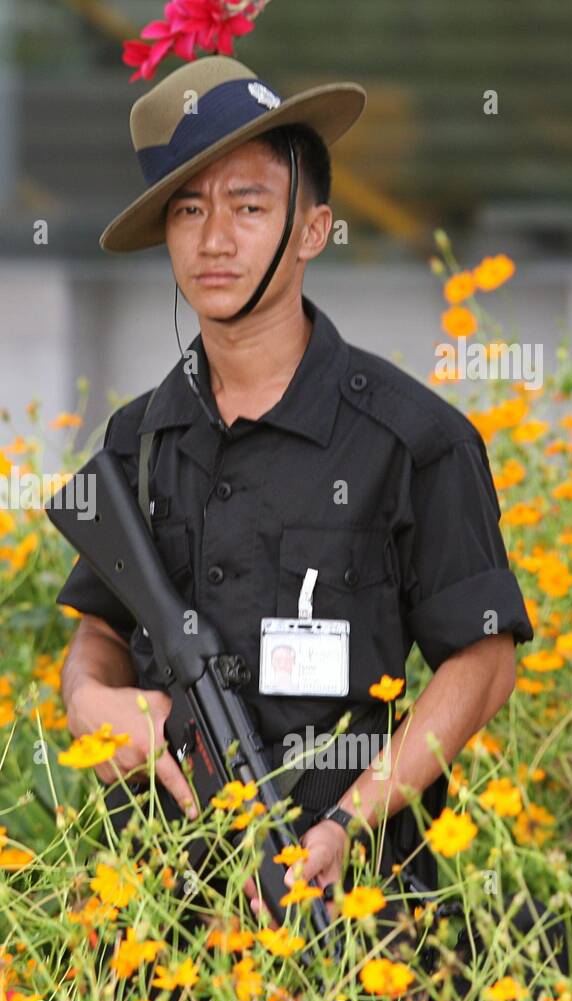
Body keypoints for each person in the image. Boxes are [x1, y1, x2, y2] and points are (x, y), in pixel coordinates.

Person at [54, 55, 536, 933]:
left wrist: (350, 820)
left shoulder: (414, 440)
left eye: (248, 206)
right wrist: (93, 702)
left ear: (311, 231)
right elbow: (97, 639)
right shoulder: (138, 442)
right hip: (159, 910)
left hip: (362, 906)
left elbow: (483, 661)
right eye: (188, 210)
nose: (214, 239)